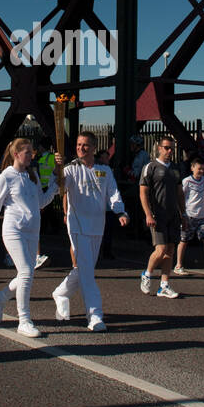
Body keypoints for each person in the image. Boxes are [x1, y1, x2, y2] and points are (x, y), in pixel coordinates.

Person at [0, 138, 59, 337]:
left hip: (33, 231)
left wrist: (55, 184)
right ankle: (24, 320)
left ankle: (2, 296)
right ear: (16, 154)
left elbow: (41, 202)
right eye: (27, 152)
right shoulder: (6, 176)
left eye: (32, 152)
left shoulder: (32, 175)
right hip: (13, 230)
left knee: (27, 273)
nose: (31, 155)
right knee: (25, 272)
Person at [52, 131, 129, 331]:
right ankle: (94, 315)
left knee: (85, 269)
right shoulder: (71, 169)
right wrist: (57, 168)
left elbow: (113, 193)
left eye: (85, 145)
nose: (81, 148)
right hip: (77, 225)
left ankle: (61, 293)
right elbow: (59, 185)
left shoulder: (105, 170)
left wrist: (120, 211)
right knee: (87, 272)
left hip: (97, 226)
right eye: (78, 145)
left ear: (94, 148)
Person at [138, 137, 184, 299]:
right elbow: (143, 192)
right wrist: (148, 213)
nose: (169, 151)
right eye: (166, 148)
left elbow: (180, 193)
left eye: (172, 148)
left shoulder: (176, 169)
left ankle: (164, 285)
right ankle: (147, 274)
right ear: (159, 148)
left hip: (173, 215)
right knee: (161, 249)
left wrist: (183, 214)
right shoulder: (150, 167)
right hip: (158, 215)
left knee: (170, 250)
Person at [174, 157, 204, 278]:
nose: (201, 171)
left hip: (202, 217)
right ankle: (178, 265)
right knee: (184, 240)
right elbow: (181, 197)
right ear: (192, 168)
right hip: (189, 216)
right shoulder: (187, 181)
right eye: (199, 168)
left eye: (203, 169)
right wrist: (182, 214)